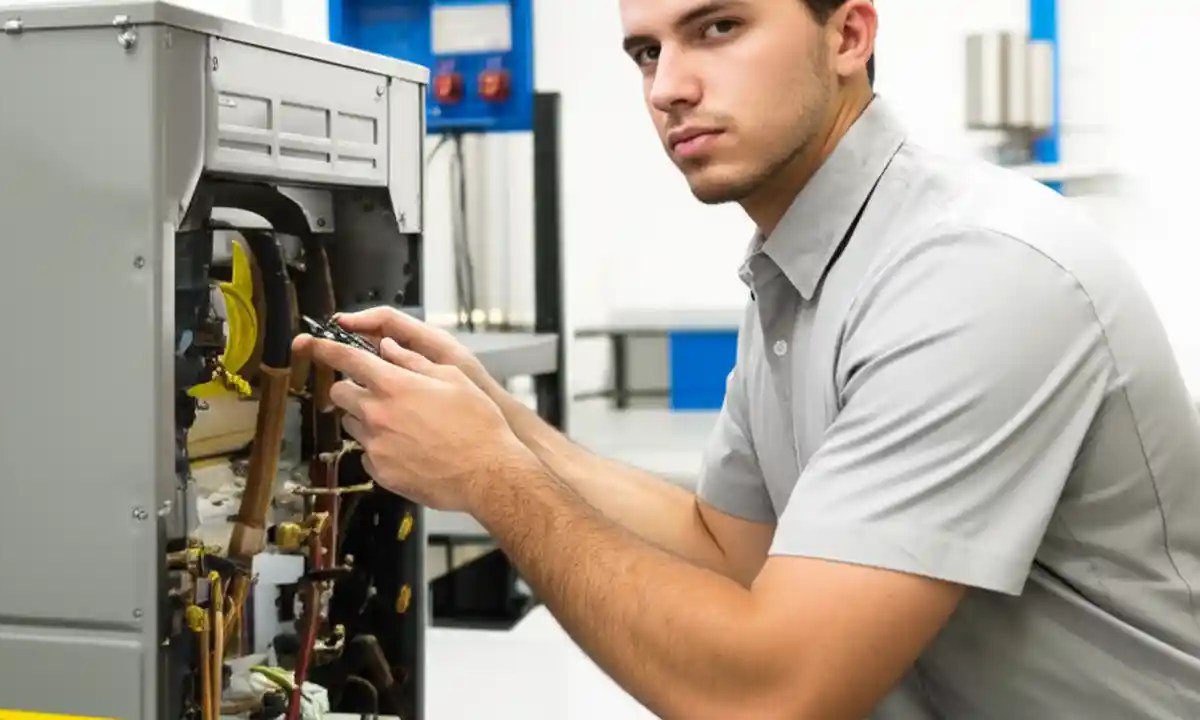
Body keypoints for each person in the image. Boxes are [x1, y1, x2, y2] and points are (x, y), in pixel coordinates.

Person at [294, 0, 1200, 716]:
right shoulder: (803, 265)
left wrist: (488, 477)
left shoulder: (970, 271)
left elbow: (771, 696)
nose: (668, 88)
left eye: (717, 28)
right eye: (646, 53)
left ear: (848, 34)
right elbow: (727, 548)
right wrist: (506, 426)